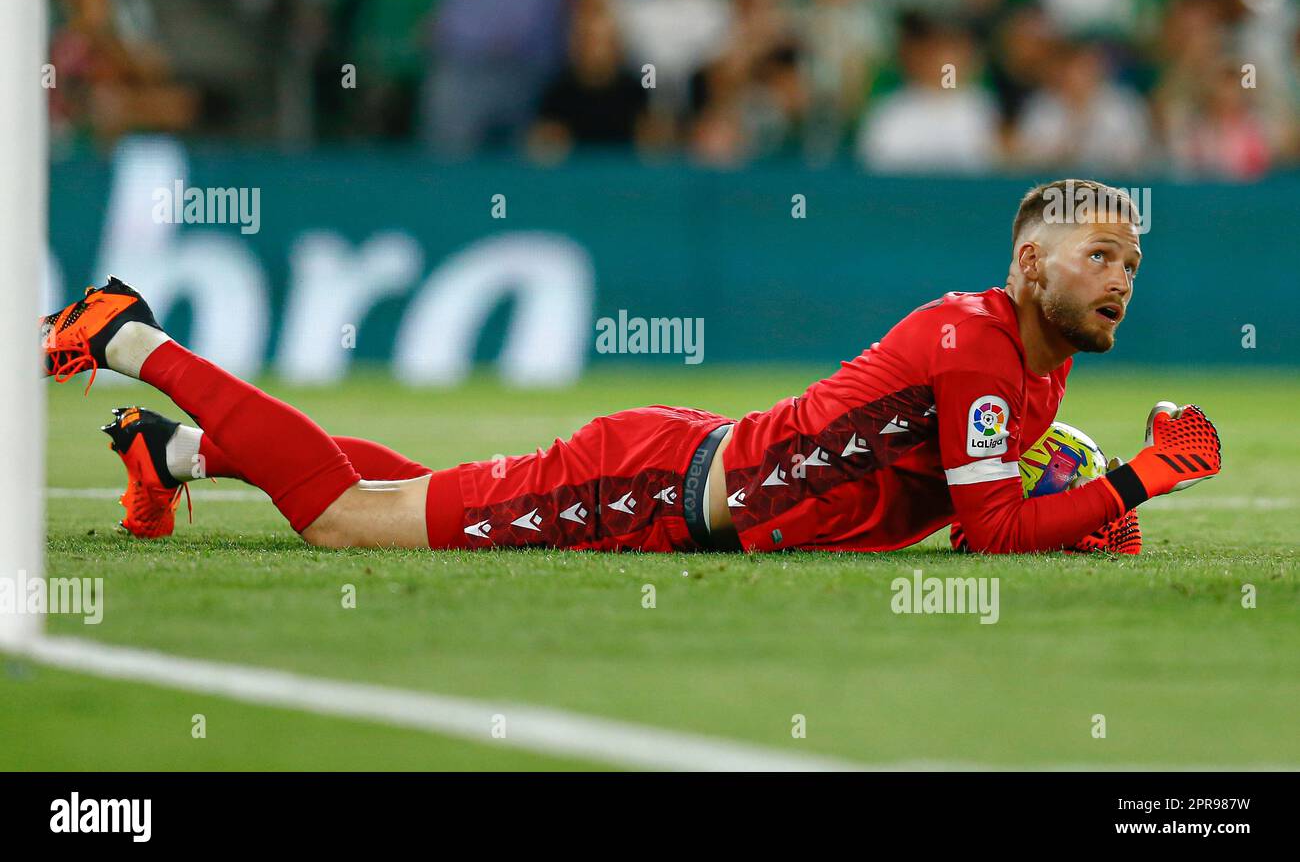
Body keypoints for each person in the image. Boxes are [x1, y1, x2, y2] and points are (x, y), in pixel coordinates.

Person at [41, 179, 1220, 555]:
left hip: (681, 472)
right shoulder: (974, 343)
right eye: (1100, 253)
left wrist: (1077, 484)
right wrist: (1140, 479)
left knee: (430, 487)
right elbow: (986, 535)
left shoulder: (1037, 359)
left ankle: (177, 450)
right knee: (352, 521)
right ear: (1028, 261)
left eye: (1134, 260)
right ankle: (133, 336)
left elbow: (977, 495)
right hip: (653, 493)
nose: (1123, 275)